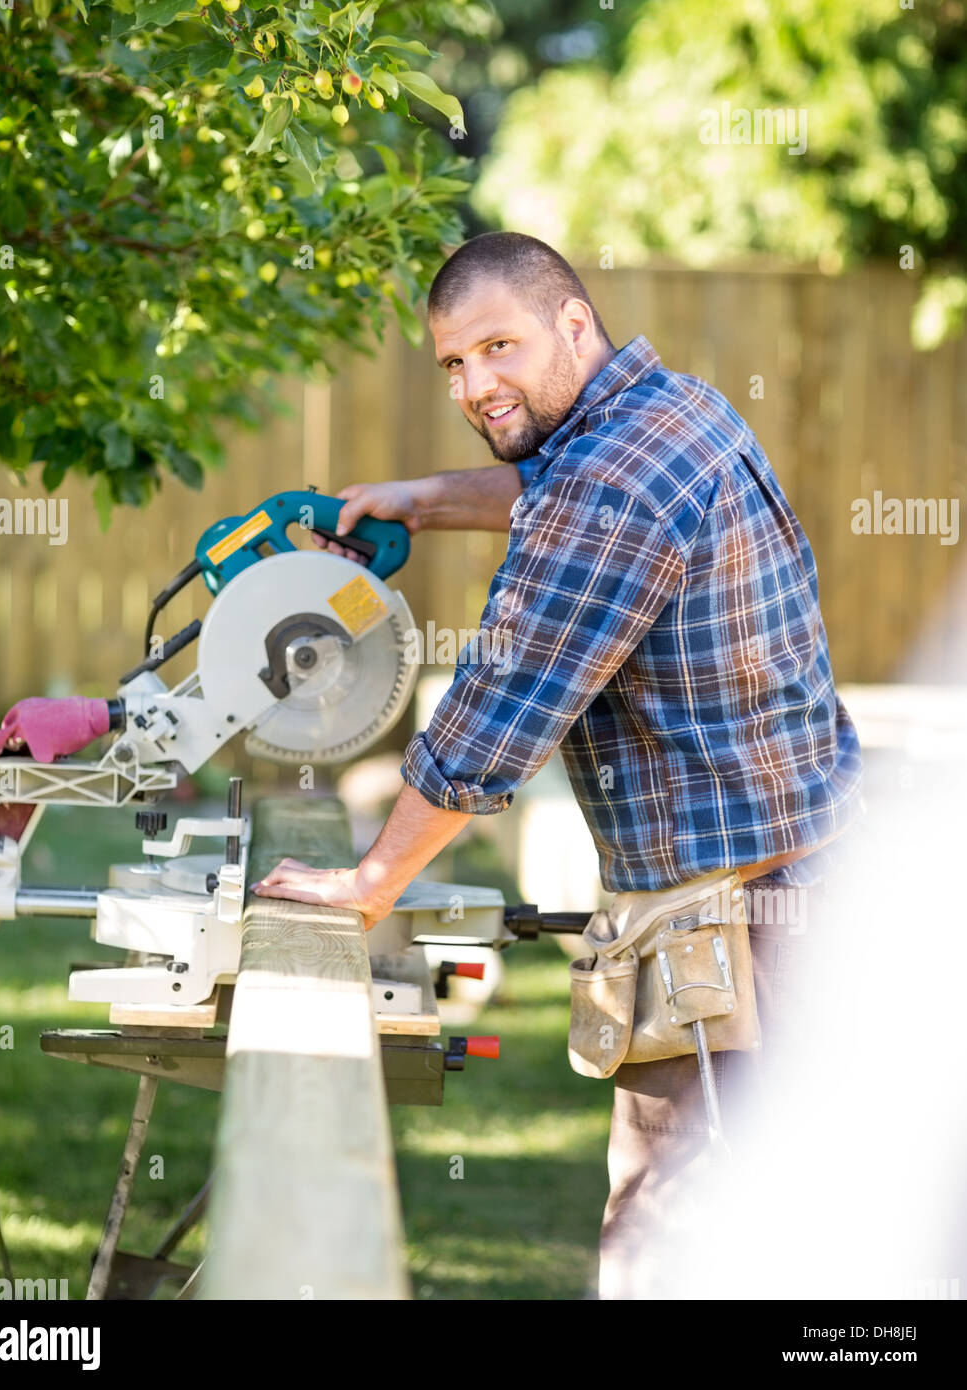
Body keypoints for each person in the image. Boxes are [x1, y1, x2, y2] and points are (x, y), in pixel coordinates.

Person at [252, 231, 864, 1297]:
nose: (475, 383)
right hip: (799, 884)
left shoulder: (608, 490)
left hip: (730, 930)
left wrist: (369, 885)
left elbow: (495, 720)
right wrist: (423, 499)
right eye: (452, 362)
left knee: (669, 1241)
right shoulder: (674, 411)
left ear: (572, 322)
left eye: (499, 346)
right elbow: (552, 484)